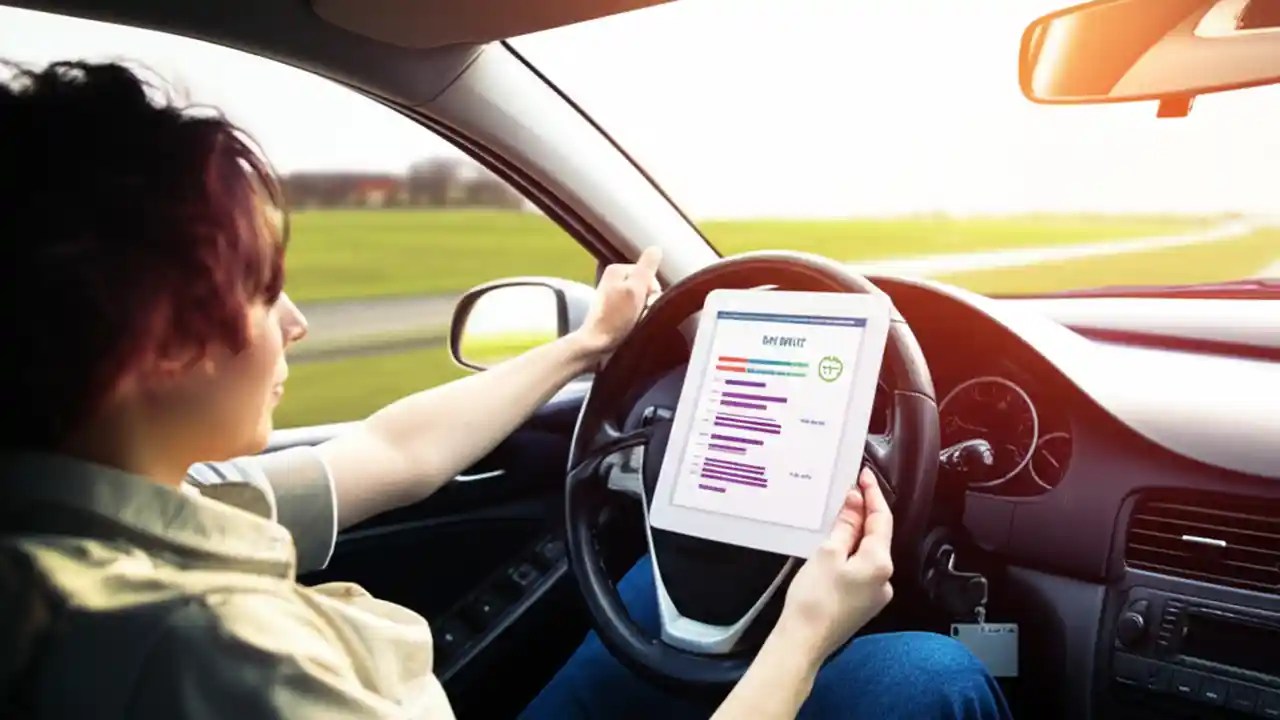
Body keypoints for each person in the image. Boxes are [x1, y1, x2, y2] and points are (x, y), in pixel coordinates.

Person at [0, 61, 1011, 719]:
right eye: (267, 294)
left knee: (654, 590)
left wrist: (588, 347)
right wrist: (804, 633)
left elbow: (390, 455)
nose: (297, 323)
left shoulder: (117, 521)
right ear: (163, 346)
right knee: (937, 679)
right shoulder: (226, 659)